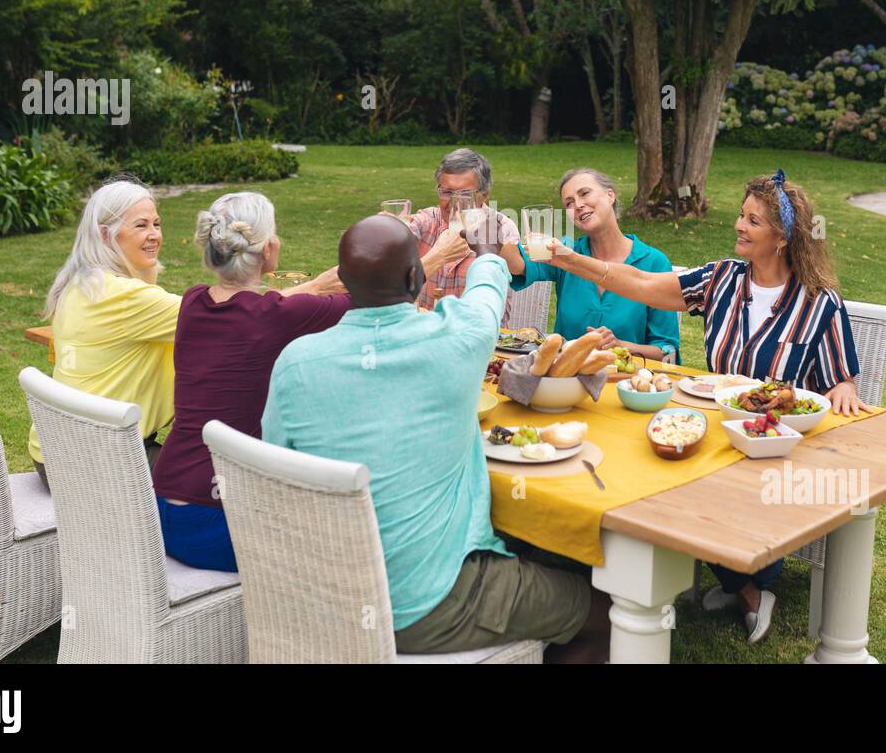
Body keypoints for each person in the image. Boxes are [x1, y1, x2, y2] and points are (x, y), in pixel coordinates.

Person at [534, 168, 863, 644]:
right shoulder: (721, 279)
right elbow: (643, 286)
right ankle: (704, 575)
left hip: (778, 449)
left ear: (782, 237)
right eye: (740, 215)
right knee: (654, 471)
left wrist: (847, 387)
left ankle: (752, 587)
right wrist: (570, 260)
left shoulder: (819, 303)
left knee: (695, 494)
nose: (738, 226)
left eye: (753, 221)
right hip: (716, 431)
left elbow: (841, 380)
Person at [261, 212, 608, 661]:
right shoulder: (455, 342)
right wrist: (486, 252)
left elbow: (274, 468)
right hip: (428, 605)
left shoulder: (295, 362)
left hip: (321, 592)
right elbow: (485, 299)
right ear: (415, 276)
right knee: (606, 610)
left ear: (342, 280)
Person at [150, 192, 350, 571]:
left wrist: (316, 286)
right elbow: (375, 299)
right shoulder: (275, 316)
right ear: (270, 248)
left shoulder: (193, 302)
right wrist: (434, 257)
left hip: (162, 505)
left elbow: (260, 306)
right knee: (340, 533)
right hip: (218, 523)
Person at [31, 176, 181, 488]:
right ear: (105, 235)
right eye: (141, 226)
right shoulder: (124, 297)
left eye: (157, 223)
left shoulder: (79, 283)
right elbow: (219, 315)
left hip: (53, 453)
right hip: (95, 460)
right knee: (217, 482)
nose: (154, 235)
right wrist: (303, 294)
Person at [500, 167, 679, 362]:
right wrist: (490, 230)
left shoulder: (654, 262)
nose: (577, 205)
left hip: (626, 383)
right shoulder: (565, 253)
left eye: (584, 193)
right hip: (565, 380)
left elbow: (668, 350)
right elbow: (517, 265)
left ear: (610, 195)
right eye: (569, 203)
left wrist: (622, 346)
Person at [406, 148, 520, 317]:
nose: (455, 203)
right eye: (447, 192)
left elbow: (517, 268)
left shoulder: (501, 228)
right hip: (426, 335)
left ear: (484, 195)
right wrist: (385, 228)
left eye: (465, 195)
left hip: (479, 336)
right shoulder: (426, 221)